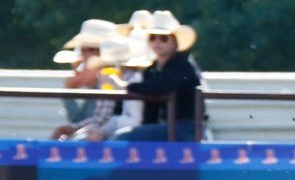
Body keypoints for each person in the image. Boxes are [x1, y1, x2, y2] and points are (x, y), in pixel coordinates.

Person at [116, 10, 202, 141]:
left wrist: (127, 86)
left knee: (123, 138)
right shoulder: (151, 69)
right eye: (152, 37)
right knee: (129, 137)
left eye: (163, 38)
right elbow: (150, 106)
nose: (157, 42)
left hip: (186, 127)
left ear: (174, 42)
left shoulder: (183, 65)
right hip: (168, 126)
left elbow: (162, 88)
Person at [51, 19, 121, 128]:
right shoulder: (100, 81)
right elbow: (78, 120)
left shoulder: (110, 78)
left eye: (91, 49)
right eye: (82, 50)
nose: (84, 55)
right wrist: (68, 92)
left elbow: (88, 123)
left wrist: (68, 92)